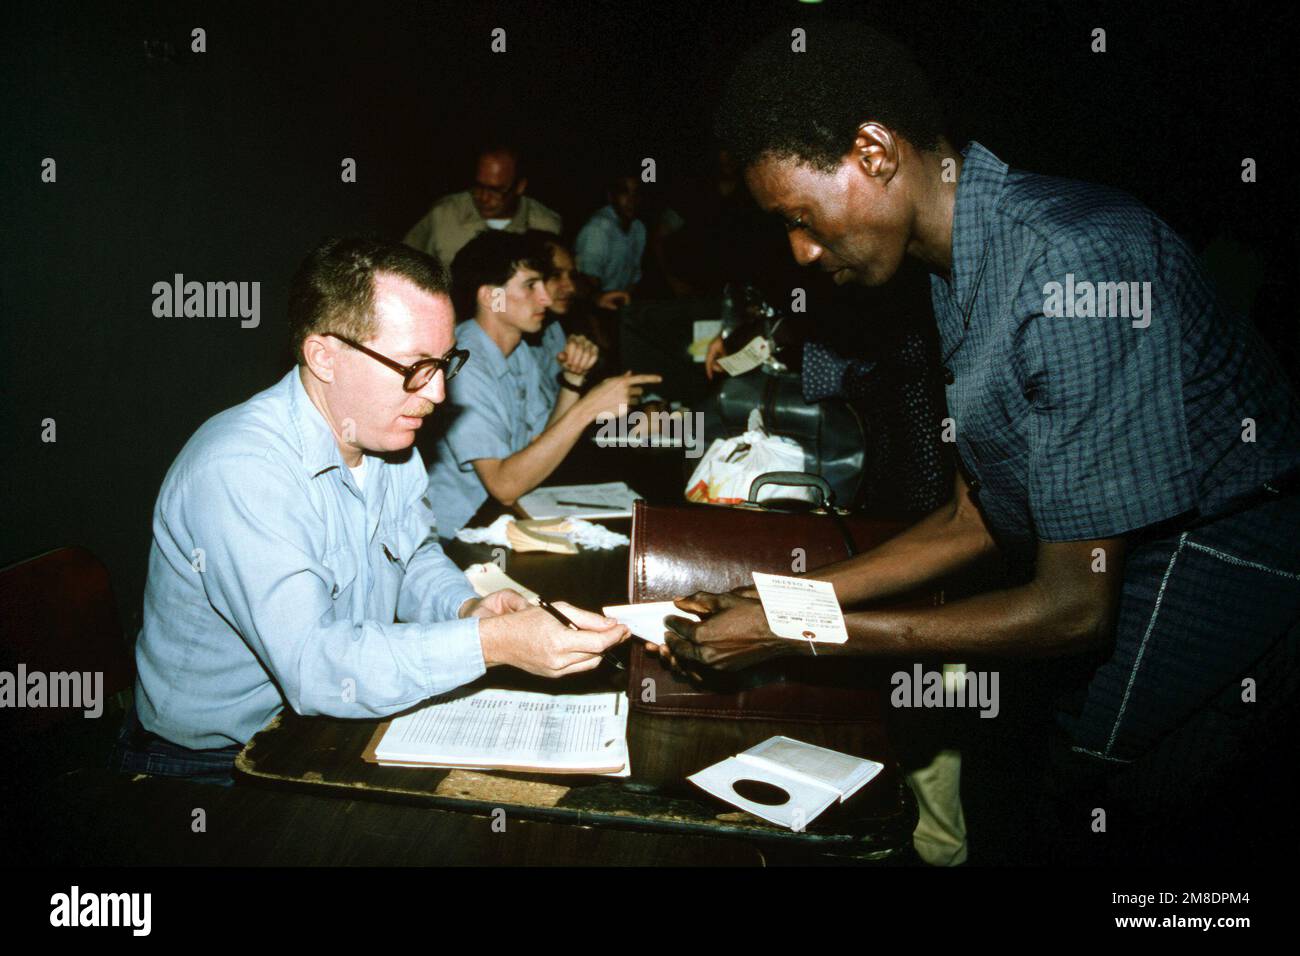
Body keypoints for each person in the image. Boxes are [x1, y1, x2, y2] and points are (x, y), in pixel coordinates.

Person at [662, 22, 1300, 864]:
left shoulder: (1076, 262)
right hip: (1119, 578)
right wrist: (785, 600)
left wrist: (798, 634)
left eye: (802, 218)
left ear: (873, 151)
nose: (802, 252)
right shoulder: (959, 265)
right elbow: (975, 515)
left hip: (1222, 587)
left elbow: (1075, 607)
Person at [117, 237, 629, 785]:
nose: (435, 393)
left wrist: (466, 608)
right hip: (208, 764)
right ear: (324, 356)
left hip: (316, 728)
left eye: (443, 364)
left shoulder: (388, 437)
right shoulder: (240, 470)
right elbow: (314, 665)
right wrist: (493, 643)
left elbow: (411, 557)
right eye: (414, 366)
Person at [425, 230, 661, 536]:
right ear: (490, 297)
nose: (546, 298)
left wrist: (573, 382)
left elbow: (542, 442)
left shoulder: (519, 349)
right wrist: (589, 407)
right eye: (530, 286)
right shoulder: (465, 365)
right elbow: (503, 485)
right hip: (459, 533)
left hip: (505, 516)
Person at [403, 144, 561, 268]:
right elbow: (404, 263)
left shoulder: (546, 226)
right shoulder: (443, 215)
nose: (484, 197)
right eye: (478, 187)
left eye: (496, 190)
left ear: (520, 186)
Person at [575, 173, 645, 296]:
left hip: (620, 302)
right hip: (594, 302)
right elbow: (586, 281)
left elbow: (634, 276)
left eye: (636, 193)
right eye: (624, 192)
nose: (631, 200)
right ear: (611, 196)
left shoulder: (638, 228)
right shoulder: (598, 228)